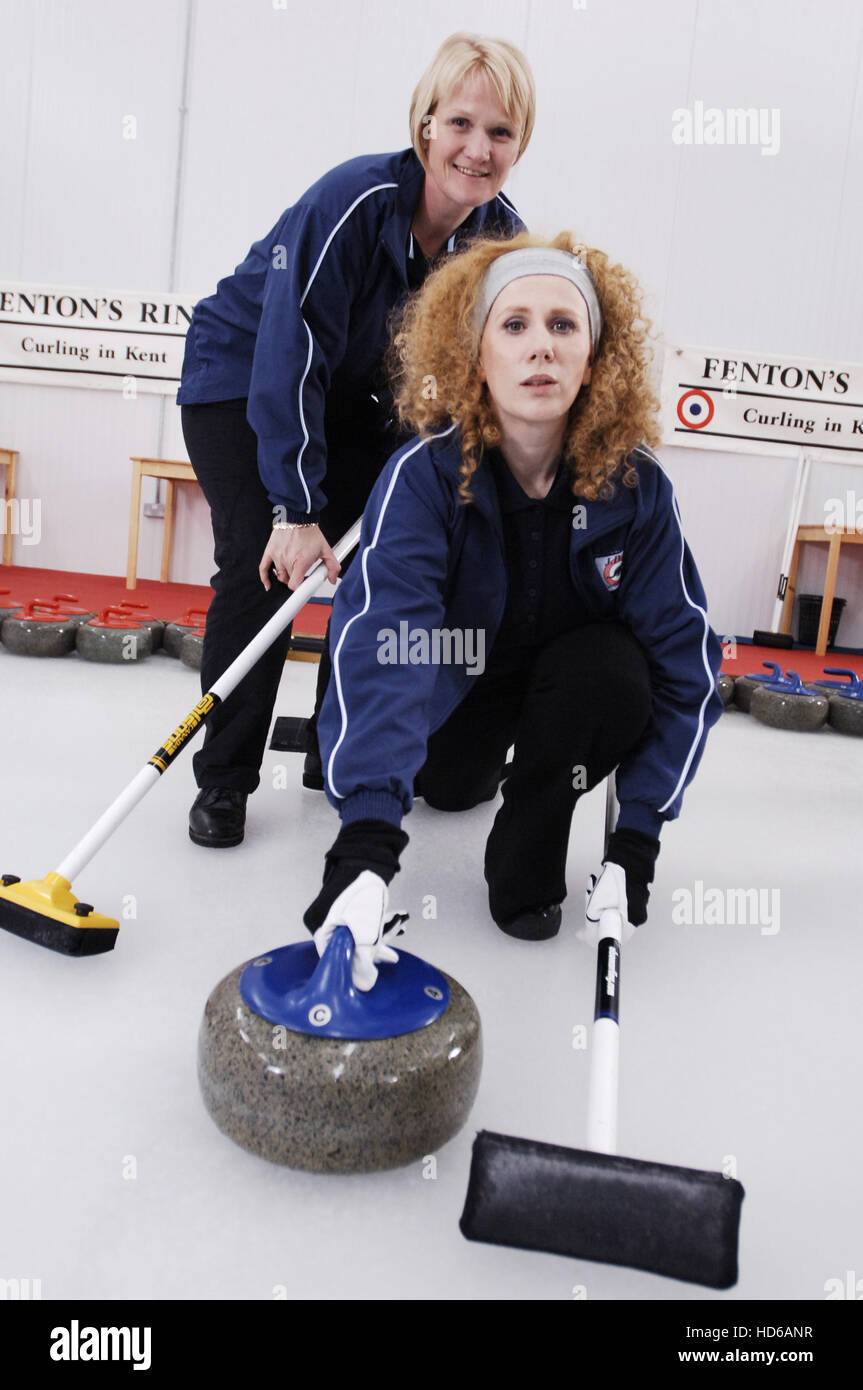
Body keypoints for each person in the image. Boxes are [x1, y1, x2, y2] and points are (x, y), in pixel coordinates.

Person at [303, 231, 724, 990]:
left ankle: (528, 829)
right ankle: (451, 765)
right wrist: (363, 853)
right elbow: (387, 642)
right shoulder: (424, 477)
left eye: (563, 326)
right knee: (449, 785)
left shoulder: (637, 489)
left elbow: (685, 667)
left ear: (592, 360)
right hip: (460, 662)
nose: (541, 348)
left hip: (567, 681)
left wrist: (636, 841)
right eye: (515, 325)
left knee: (614, 672)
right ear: (475, 356)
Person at [176, 32, 534, 848]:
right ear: (424, 125)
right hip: (241, 383)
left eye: (501, 133)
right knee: (263, 565)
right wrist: (293, 508)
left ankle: (335, 751)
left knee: (384, 562)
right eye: (460, 125)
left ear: (519, 145)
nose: (477, 150)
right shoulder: (353, 201)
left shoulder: (499, 248)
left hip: (356, 404)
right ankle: (226, 780)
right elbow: (288, 350)